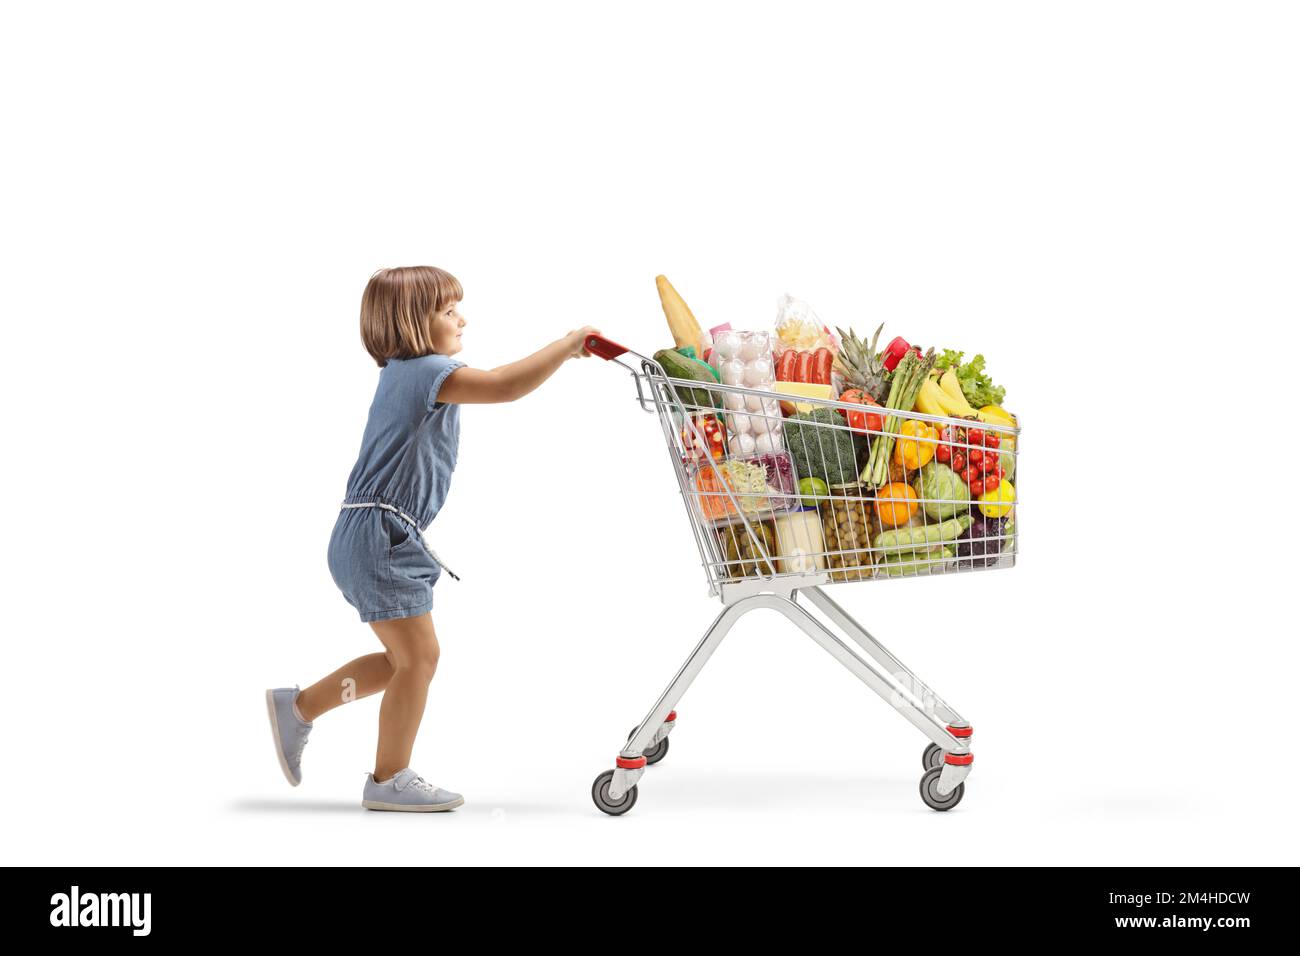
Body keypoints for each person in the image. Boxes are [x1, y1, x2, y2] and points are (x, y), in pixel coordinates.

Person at [265, 265, 598, 811]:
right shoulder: (429, 371)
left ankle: (298, 708)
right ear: (413, 324)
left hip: (371, 533)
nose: (462, 318)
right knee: (419, 659)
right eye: (449, 311)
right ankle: (388, 778)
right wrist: (566, 346)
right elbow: (505, 386)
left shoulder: (404, 372)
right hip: (380, 536)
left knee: (405, 660)